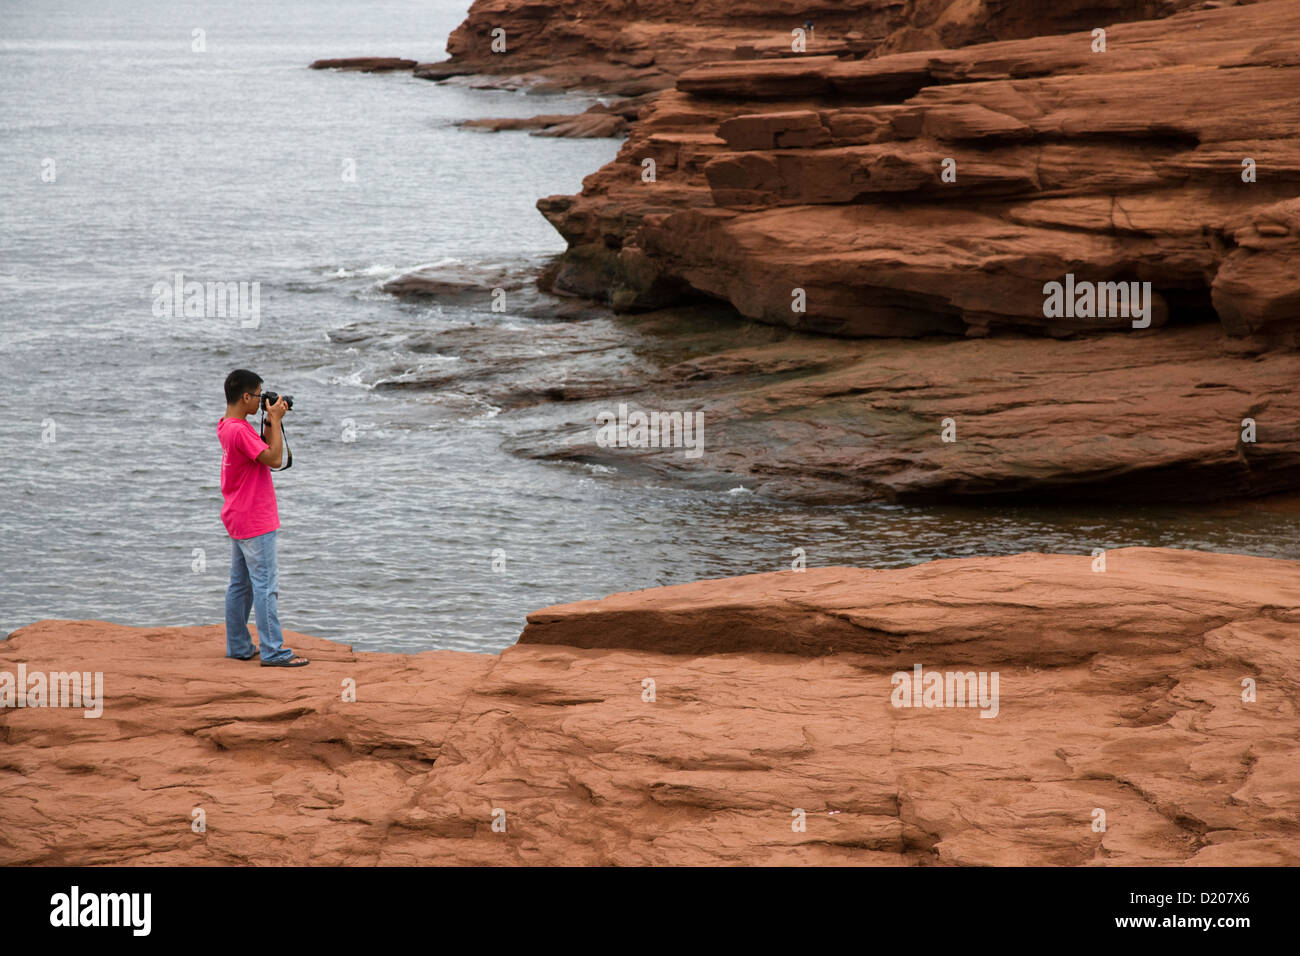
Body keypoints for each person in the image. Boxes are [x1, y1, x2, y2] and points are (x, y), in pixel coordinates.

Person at [218, 369, 309, 667]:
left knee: (240, 585)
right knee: (266, 586)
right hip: (255, 519)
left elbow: (262, 452)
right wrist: (277, 421)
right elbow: (274, 459)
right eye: (258, 395)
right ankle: (273, 651)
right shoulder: (241, 431)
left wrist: (270, 420)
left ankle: (239, 646)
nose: (261, 400)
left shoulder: (227, 425)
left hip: (238, 515)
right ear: (245, 397)